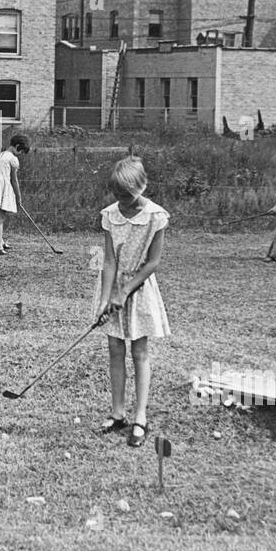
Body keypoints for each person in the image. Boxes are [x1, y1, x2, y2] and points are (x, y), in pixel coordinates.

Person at [95, 156, 170, 448]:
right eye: (117, 196)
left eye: (127, 196)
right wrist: (105, 299)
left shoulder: (156, 216)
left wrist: (125, 291)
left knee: (139, 350)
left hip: (139, 287)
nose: (122, 202)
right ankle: (118, 412)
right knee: (115, 347)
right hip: (114, 287)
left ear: (142, 187)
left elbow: (153, 263)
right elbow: (109, 261)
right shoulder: (110, 215)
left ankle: (140, 417)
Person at [0, 134, 30, 255]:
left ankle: (1, 242)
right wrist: (18, 196)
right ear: (17, 146)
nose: (20, 154)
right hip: (0, 187)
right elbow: (14, 180)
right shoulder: (12, 159)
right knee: (0, 218)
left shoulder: (1, 155)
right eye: (21, 151)